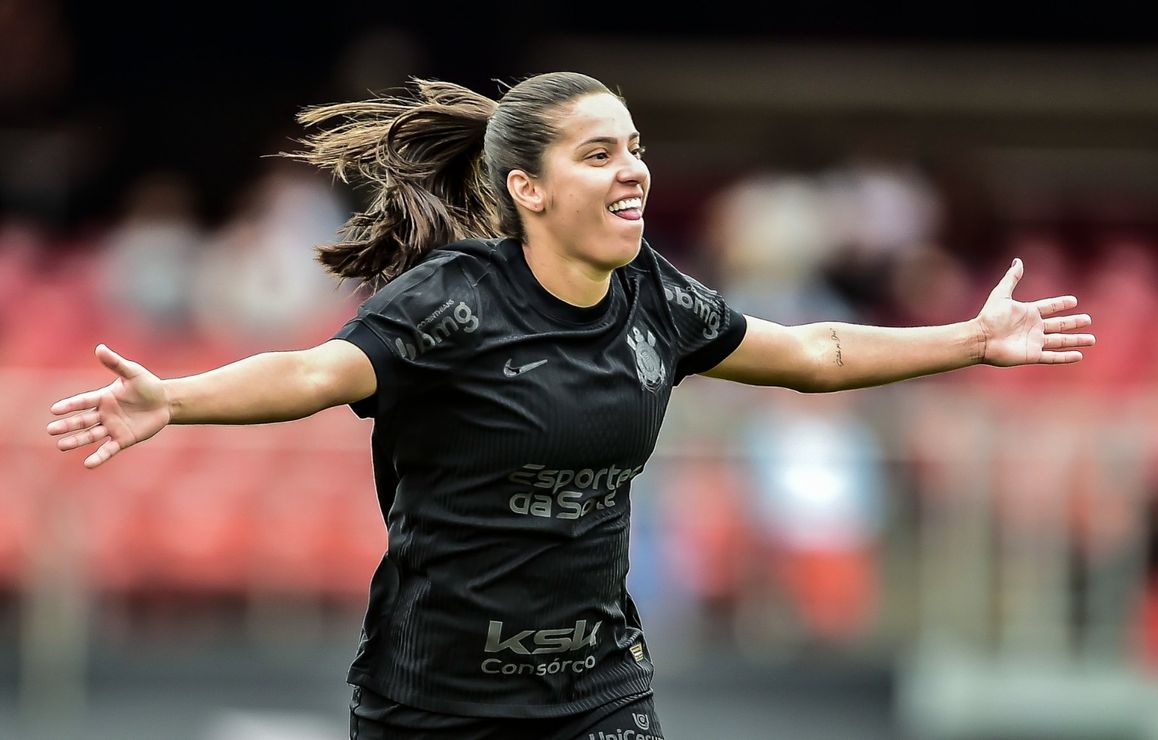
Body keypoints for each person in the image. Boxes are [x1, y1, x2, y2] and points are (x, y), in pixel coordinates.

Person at [46, 72, 1095, 740]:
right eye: (599, 153)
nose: (633, 168)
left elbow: (810, 350)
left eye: (634, 145)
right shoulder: (450, 302)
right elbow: (317, 373)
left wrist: (968, 339)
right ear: (528, 191)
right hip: (435, 700)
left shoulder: (658, 295)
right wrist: (172, 399)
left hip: (595, 688)